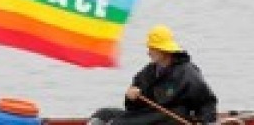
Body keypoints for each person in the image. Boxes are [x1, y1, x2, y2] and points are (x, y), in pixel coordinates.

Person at [89, 25, 218, 125]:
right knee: (103, 114)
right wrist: (131, 97)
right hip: (147, 117)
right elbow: (133, 108)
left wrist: (202, 122)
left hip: (172, 119)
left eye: (152, 48)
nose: (148, 52)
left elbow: (208, 103)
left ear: (164, 50)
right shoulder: (147, 73)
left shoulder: (188, 73)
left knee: (172, 113)